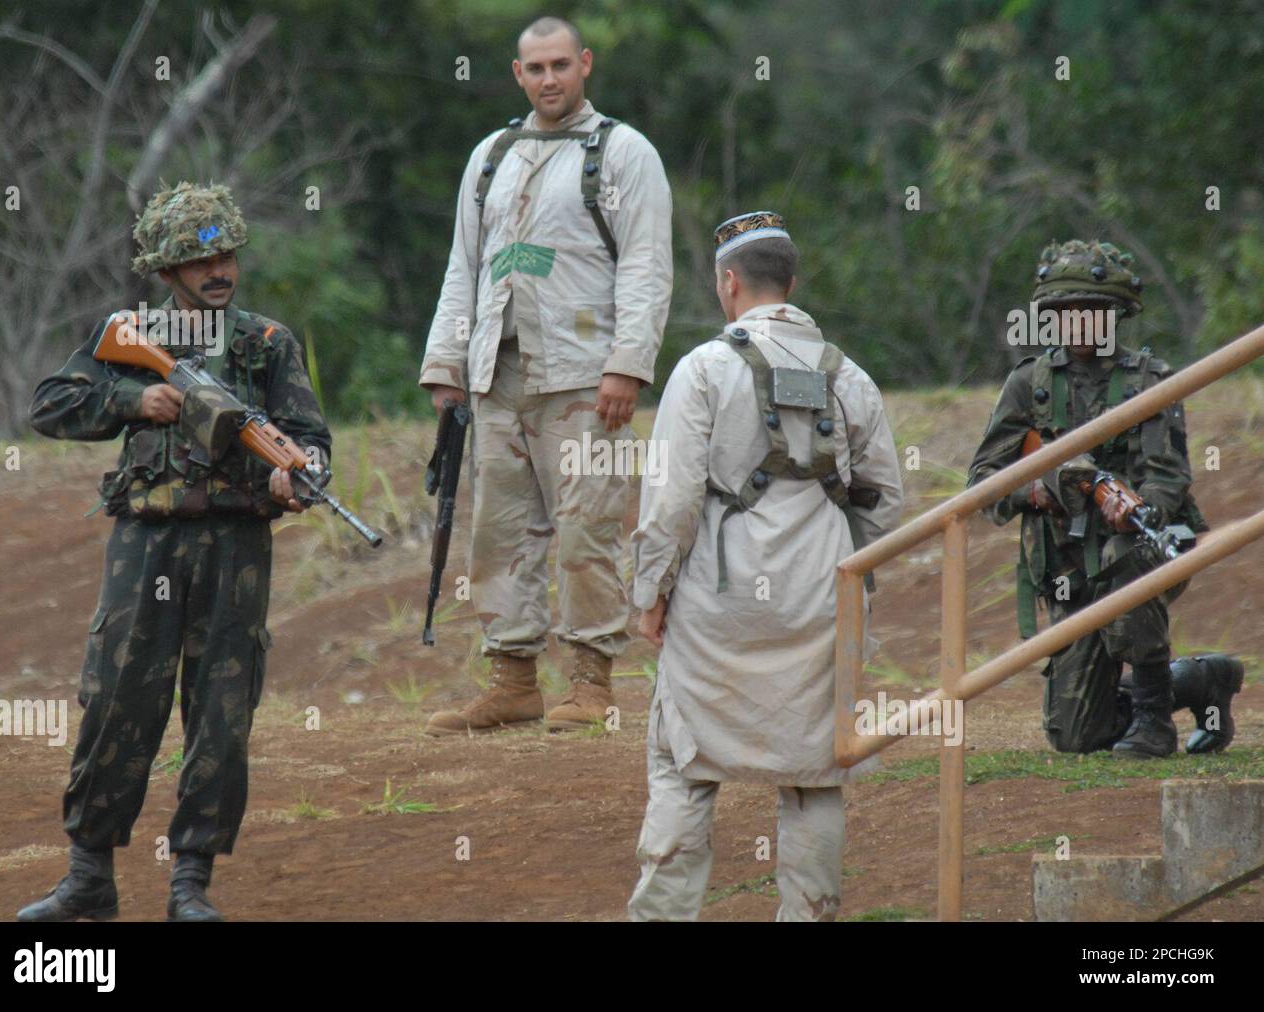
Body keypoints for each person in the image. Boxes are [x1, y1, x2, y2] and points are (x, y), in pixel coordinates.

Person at [18, 181, 331, 921]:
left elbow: (310, 440)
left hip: (236, 544)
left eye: (226, 254)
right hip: (147, 542)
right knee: (118, 699)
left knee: (222, 711)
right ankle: (88, 875)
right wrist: (136, 401)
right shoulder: (131, 336)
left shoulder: (265, 343)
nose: (218, 270)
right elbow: (49, 405)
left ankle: (190, 883)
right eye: (199, 260)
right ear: (166, 271)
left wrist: (301, 477)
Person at [626, 211, 903, 921]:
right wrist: (845, 568)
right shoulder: (853, 379)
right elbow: (884, 504)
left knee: (684, 762)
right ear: (792, 282)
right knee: (815, 773)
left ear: (729, 283)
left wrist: (650, 592)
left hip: (720, 602)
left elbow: (672, 501)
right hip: (823, 597)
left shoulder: (704, 369)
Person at [420, 15, 673, 735]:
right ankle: (511, 679)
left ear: (585, 64)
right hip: (496, 375)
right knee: (498, 532)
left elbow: (647, 266)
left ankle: (592, 682)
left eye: (561, 64)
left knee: (587, 529)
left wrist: (628, 364)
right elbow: (462, 266)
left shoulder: (623, 152)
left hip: (584, 376)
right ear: (517, 73)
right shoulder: (492, 154)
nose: (550, 79)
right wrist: (446, 364)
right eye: (536, 68)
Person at [967, 239, 1243, 758]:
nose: (1079, 321)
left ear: (1114, 314)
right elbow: (983, 483)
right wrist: (1043, 492)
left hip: (1139, 551)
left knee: (1126, 559)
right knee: (1075, 736)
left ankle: (1153, 723)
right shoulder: (1030, 384)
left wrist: (1137, 508)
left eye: (1091, 310)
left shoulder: (1150, 381)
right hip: (1068, 572)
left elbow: (1170, 477)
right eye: (1066, 311)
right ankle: (1202, 680)